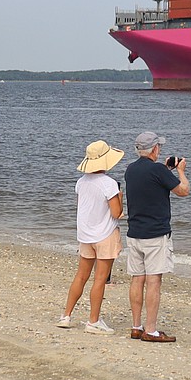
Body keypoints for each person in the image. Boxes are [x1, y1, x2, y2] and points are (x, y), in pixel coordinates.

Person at [122, 130, 189, 343]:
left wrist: (166, 170)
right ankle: (150, 330)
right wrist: (180, 171)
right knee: (153, 281)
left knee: (137, 278)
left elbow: (150, 181)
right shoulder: (158, 170)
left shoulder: (130, 169)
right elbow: (183, 191)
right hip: (155, 233)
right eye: (158, 146)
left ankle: (136, 326)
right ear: (155, 149)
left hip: (135, 232)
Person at [60, 140, 124, 334]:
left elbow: (85, 206)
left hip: (86, 235)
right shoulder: (109, 183)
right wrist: (120, 197)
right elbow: (116, 213)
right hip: (105, 235)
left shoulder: (81, 182)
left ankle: (66, 316)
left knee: (81, 276)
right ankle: (93, 321)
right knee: (100, 279)